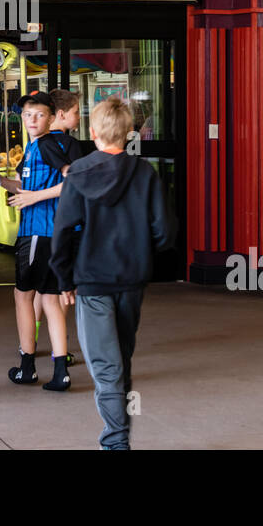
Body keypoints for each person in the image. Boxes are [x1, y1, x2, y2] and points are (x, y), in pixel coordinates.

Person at [51, 96, 174, 451]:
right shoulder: (146, 173)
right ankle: (117, 438)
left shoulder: (77, 175)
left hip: (91, 281)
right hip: (133, 280)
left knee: (106, 365)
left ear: (92, 132)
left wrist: (63, 279)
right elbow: (165, 231)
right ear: (130, 132)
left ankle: (116, 442)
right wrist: (140, 250)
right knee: (121, 357)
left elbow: (63, 232)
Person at [0, 92, 78, 390]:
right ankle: (60, 371)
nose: (32, 119)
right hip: (51, 234)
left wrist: (35, 197)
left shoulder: (46, 145)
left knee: (23, 296)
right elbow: (25, 185)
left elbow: (71, 178)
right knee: (50, 298)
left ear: (52, 117)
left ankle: (27, 367)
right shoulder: (34, 148)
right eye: (28, 114)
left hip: (37, 232)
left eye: (40, 114)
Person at [31, 89, 86, 346]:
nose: (79, 117)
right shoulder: (71, 145)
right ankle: (59, 342)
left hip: (36, 227)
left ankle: (29, 340)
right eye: (76, 112)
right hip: (64, 225)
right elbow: (76, 182)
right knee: (62, 289)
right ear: (61, 114)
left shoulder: (36, 144)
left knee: (38, 289)